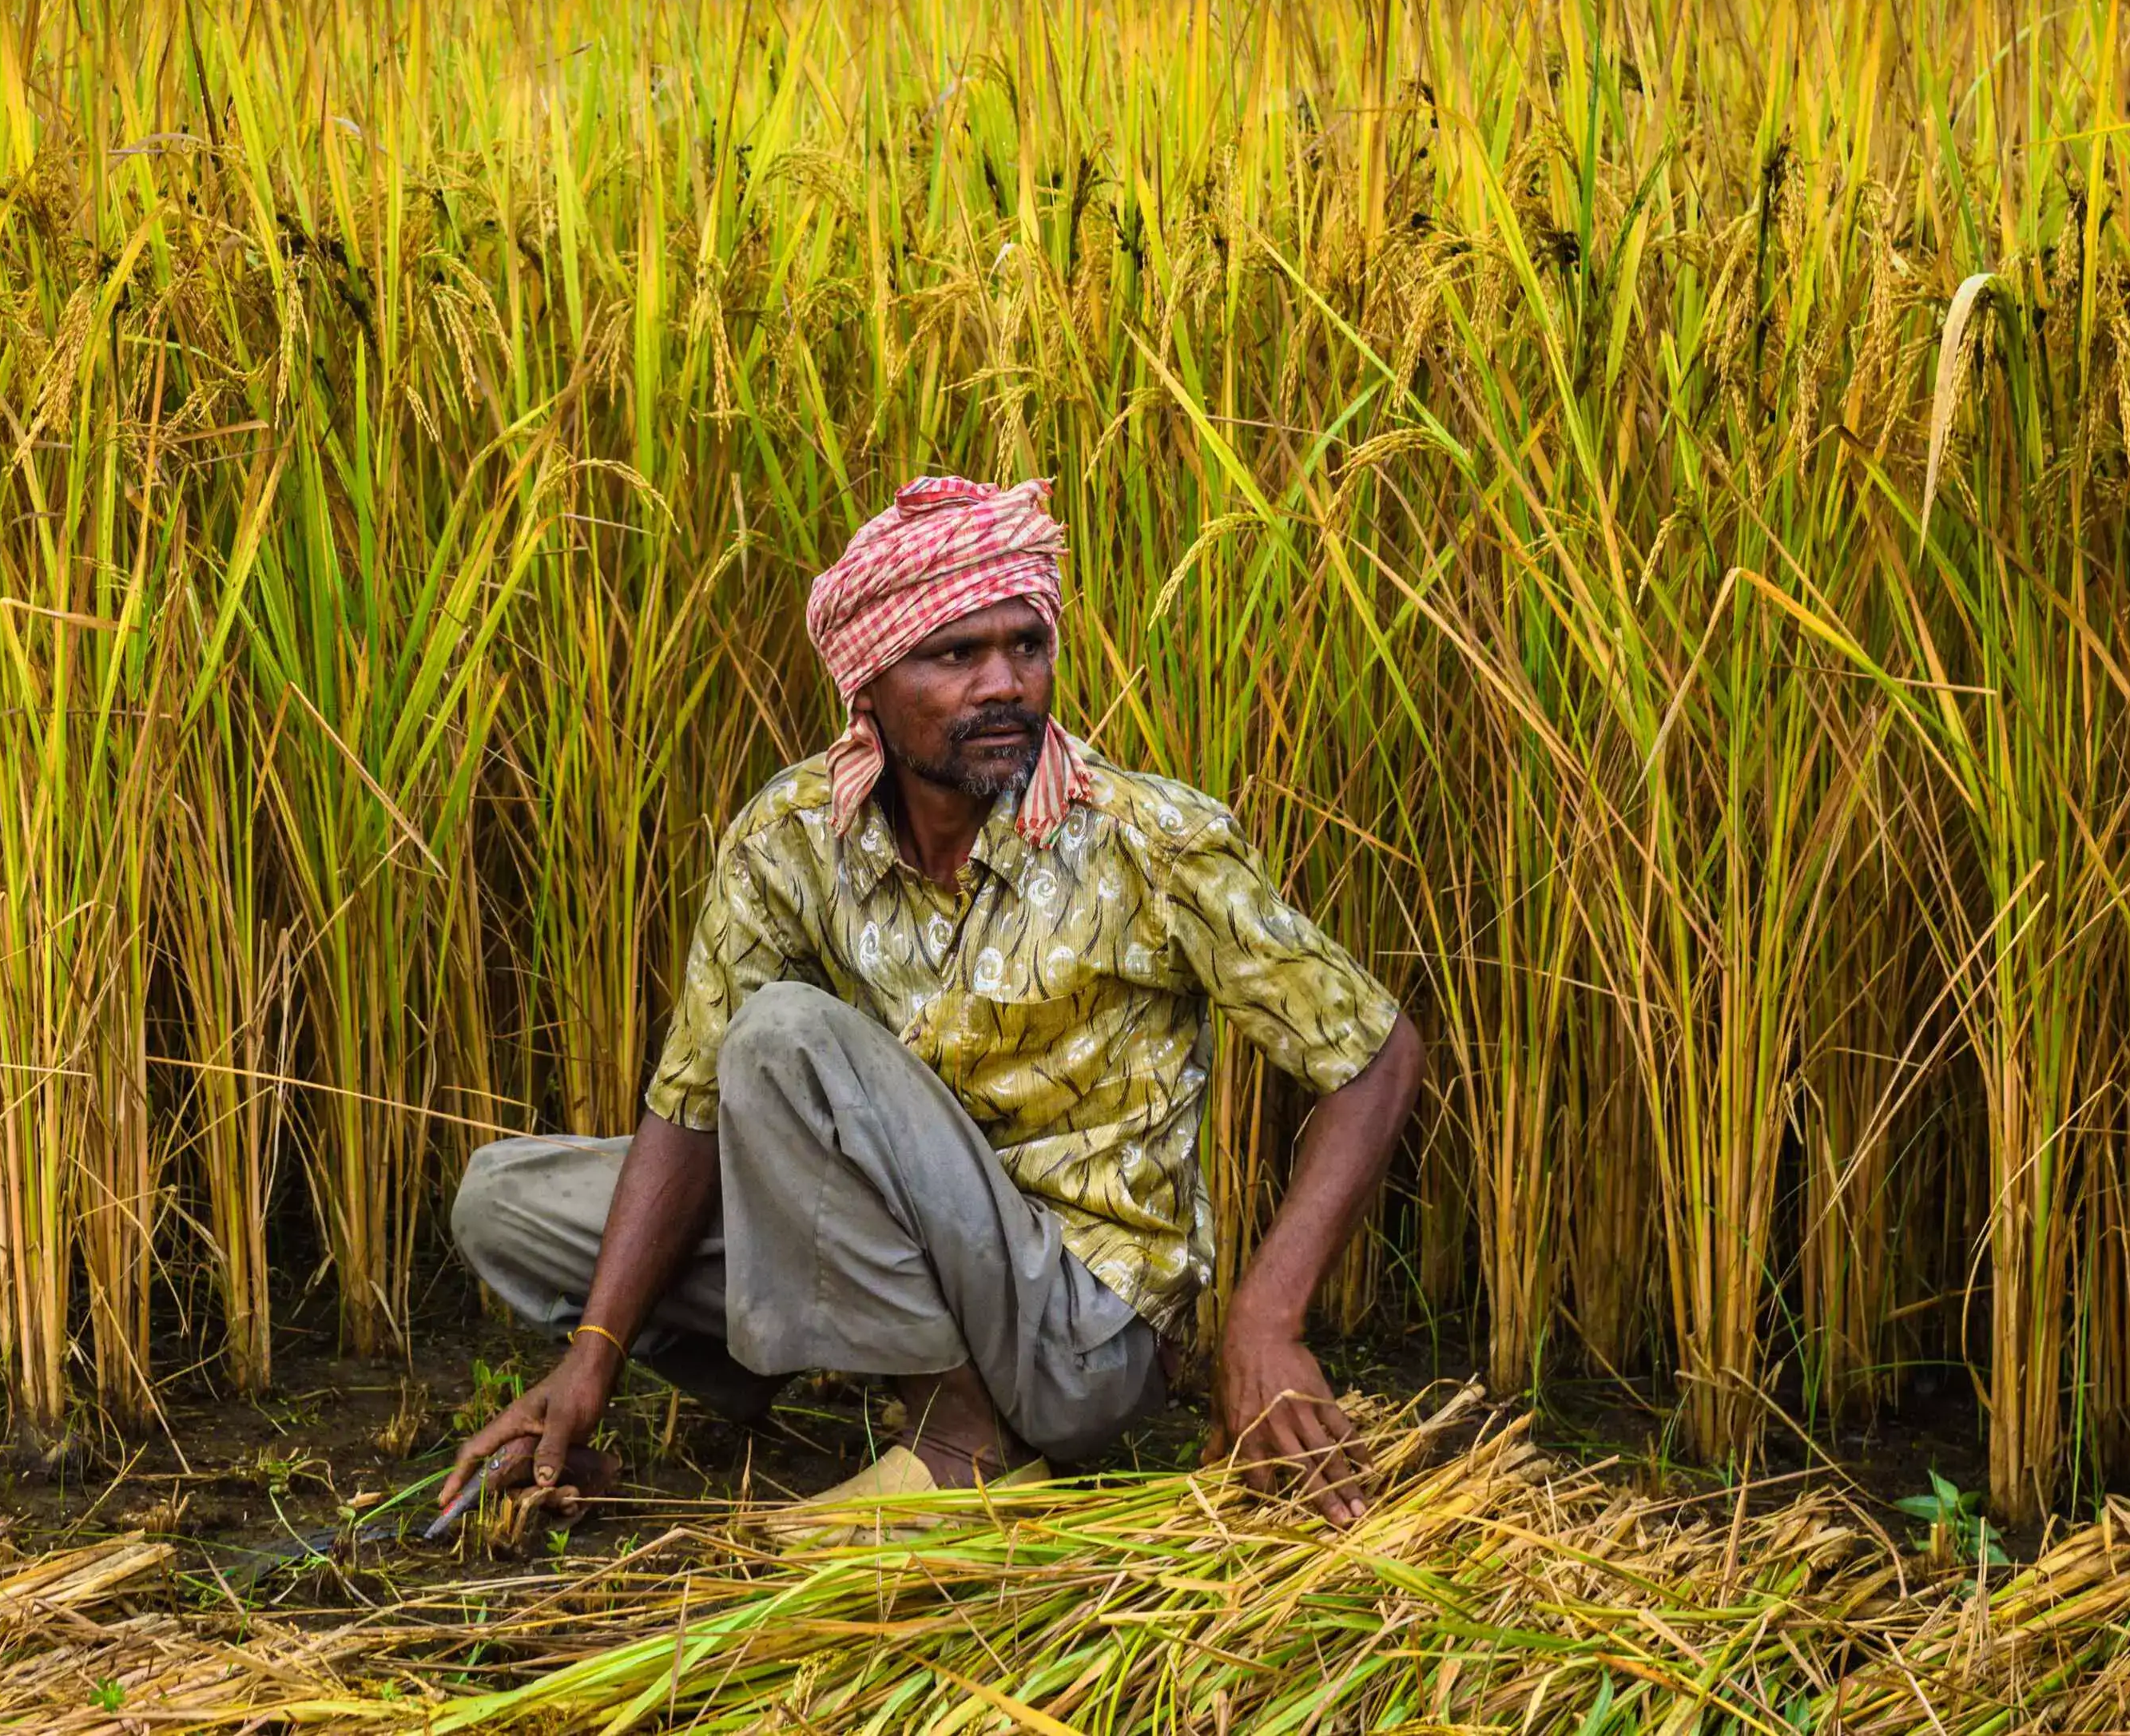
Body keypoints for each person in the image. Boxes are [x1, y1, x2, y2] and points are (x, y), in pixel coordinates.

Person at [442, 474, 1423, 1525]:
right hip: (920, 1269)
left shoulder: (1146, 838)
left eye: (1025, 646)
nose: (1003, 684)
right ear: (868, 682)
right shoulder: (793, 835)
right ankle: (857, 1371)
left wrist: (1262, 1321)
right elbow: (686, 1105)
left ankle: (958, 1450)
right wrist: (592, 1361)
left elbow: (1374, 1051)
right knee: (504, 1202)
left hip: (1075, 1333)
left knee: (780, 1038)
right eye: (955, 655)